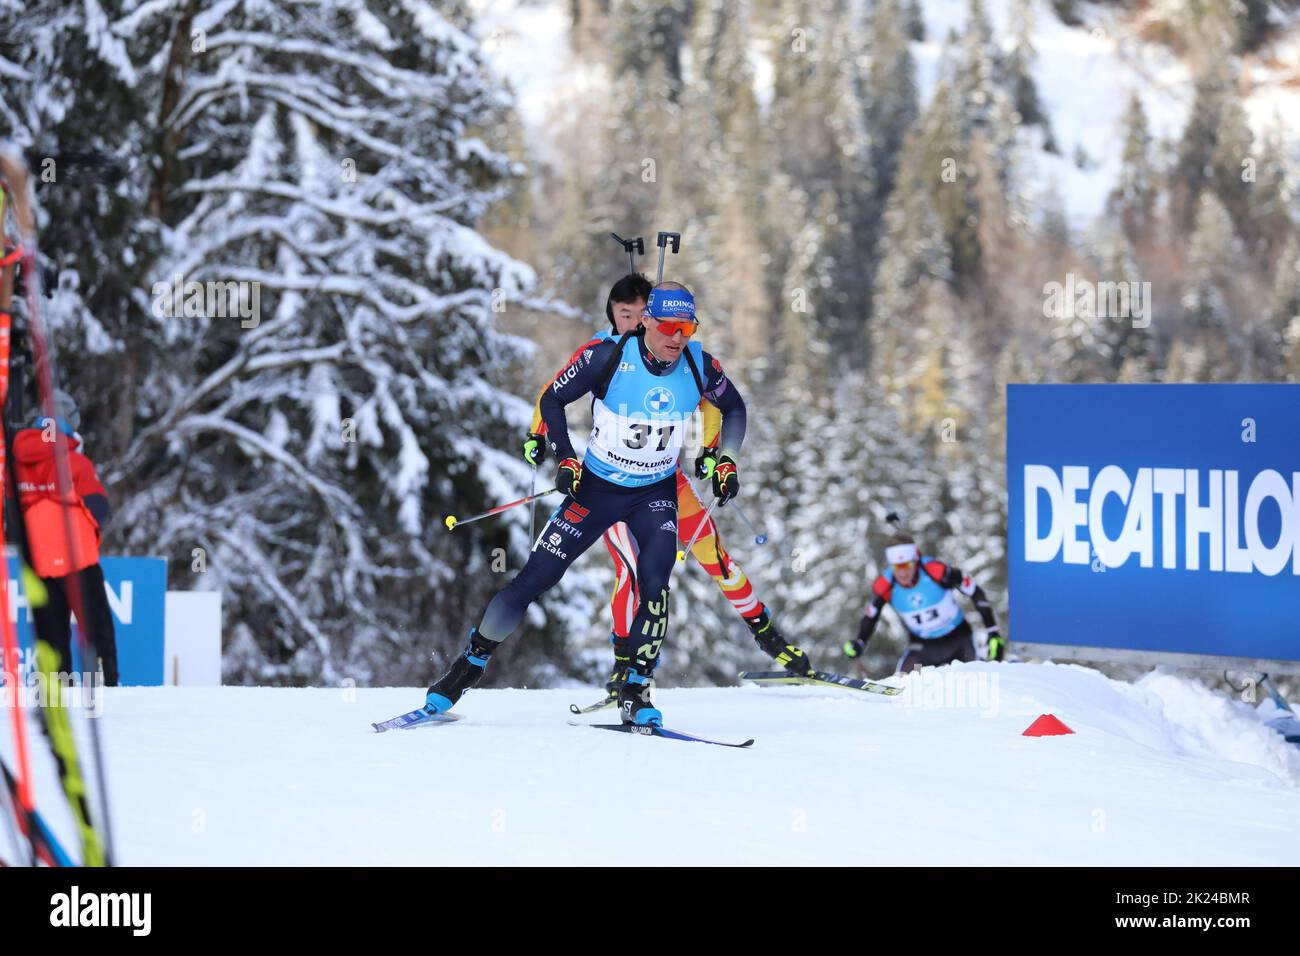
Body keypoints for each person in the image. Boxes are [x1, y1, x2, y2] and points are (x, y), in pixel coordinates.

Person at [425, 282, 746, 726]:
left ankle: (635, 689)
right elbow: (553, 398)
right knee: (535, 579)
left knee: (655, 584)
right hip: (595, 490)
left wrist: (726, 461)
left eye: (687, 327)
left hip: (654, 494)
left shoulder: (698, 364)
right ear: (647, 320)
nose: (677, 338)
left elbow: (734, 407)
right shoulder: (608, 356)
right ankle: (468, 667)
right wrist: (566, 457)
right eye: (669, 326)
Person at [523, 274, 813, 703]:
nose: (637, 322)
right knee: (630, 570)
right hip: (611, 483)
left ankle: (769, 637)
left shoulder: (681, 357)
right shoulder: (602, 353)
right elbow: (553, 393)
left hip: (665, 481)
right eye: (627, 315)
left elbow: (713, 402)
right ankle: (625, 667)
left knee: (716, 558)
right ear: (617, 318)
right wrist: (540, 438)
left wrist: (713, 453)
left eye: (643, 315)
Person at [12, 389, 119, 685]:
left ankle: (57, 685)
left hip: (37, 561)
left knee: (52, 630)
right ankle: (105, 682)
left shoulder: (14, 466)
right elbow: (100, 510)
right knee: (96, 626)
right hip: (77, 559)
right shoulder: (75, 463)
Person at [843, 533, 1003, 673]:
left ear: (915, 560)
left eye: (908, 565)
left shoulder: (936, 571)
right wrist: (860, 642)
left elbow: (976, 593)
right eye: (898, 567)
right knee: (905, 682)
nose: (903, 572)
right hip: (923, 648)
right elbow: (871, 616)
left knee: (975, 681)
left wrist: (993, 632)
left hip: (959, 640)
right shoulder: (885, 585)